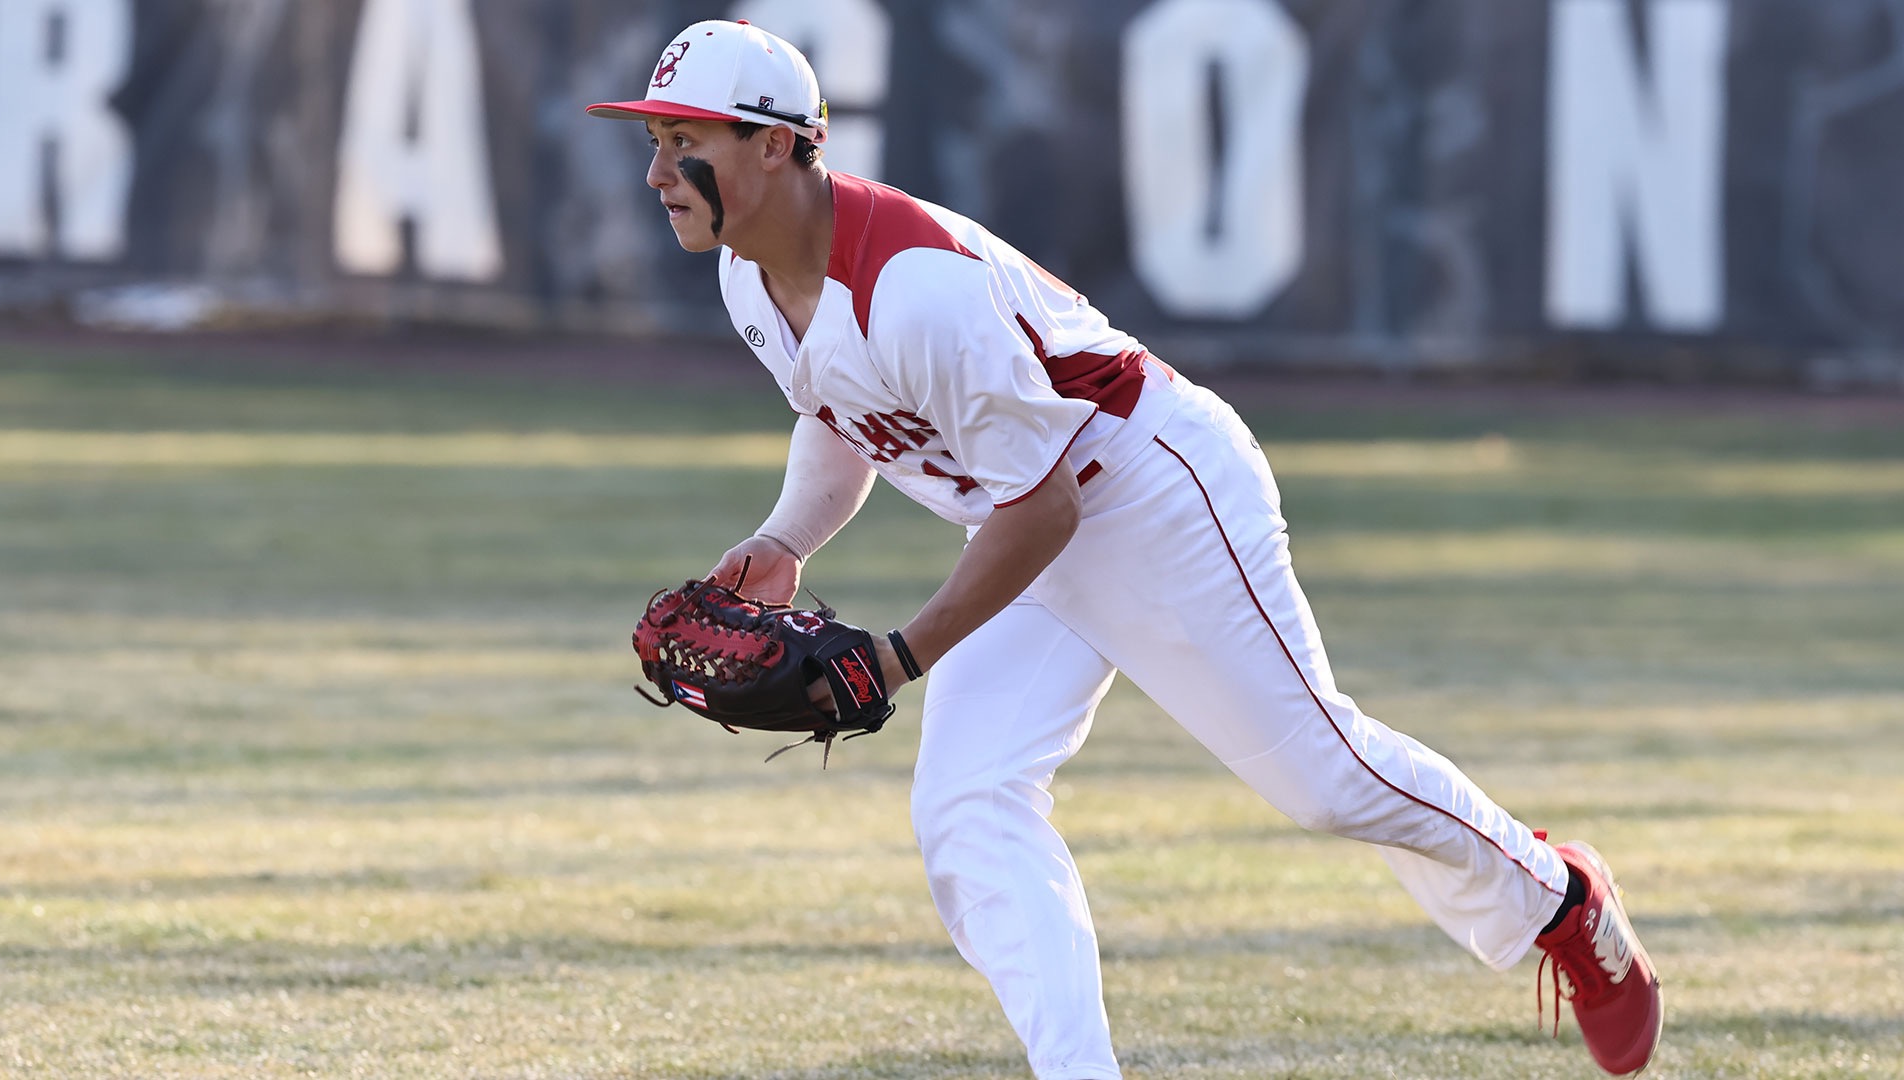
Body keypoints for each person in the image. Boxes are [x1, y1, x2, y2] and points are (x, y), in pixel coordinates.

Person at [586, 19, 1662, 1080]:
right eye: (654, 141)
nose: (658, 172)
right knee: (967, 806)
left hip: (1151, 490)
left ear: (775, 143)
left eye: (686, 140)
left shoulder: (916, 287)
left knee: (1324, 779)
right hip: (1027, 519)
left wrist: (901, 656)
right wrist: (786, 536)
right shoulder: (750, 273)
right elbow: (840, 409)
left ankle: (1561, 900)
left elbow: (1045, 507)